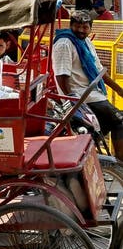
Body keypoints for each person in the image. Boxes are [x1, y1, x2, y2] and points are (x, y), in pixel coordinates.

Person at [52, 10, 123, 160]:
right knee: (119, 121)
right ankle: (119, 163)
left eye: (85, 27)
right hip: (81, 97)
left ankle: (88, 155)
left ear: (91, 28)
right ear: (71, 25)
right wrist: (71, 102)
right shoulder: (65, 43)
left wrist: (118, 89)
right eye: (77, 26)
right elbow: (61, 76)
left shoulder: (85, 42)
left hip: (93, 93)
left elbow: (99, 71)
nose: (81, 30)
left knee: (101, 128)